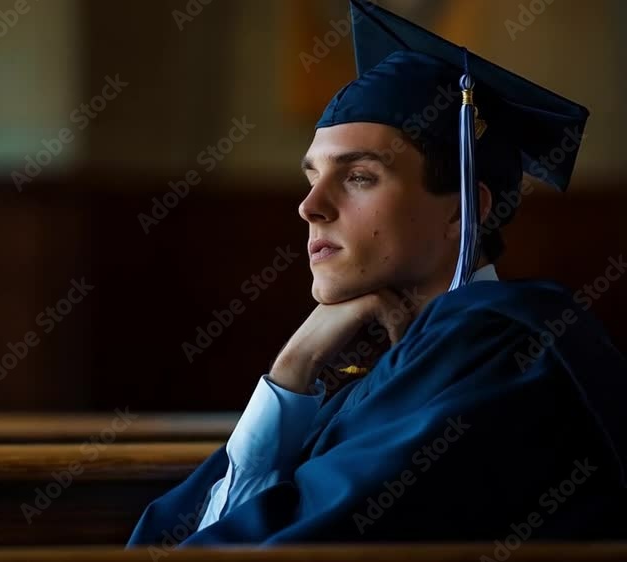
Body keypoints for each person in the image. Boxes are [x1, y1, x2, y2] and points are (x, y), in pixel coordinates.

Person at [128, 0, 627, 548]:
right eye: (312, 177)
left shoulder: (496, 360)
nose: (310, 206)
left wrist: (296, 370)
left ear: (465, 210)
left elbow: (273, 549)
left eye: (360, 176)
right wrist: (294, 369)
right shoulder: (393, 360)